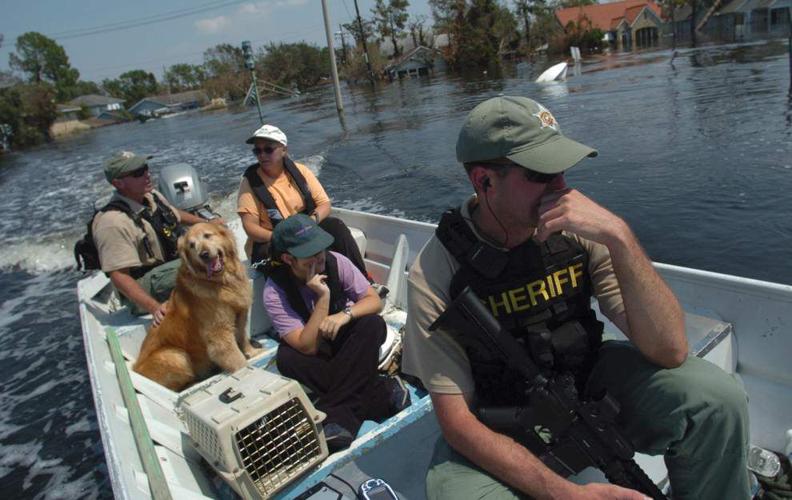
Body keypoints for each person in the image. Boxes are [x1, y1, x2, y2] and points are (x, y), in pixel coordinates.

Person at [402, 96, 750, 500]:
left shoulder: (576, 230)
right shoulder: (436, 272)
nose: (561, 187)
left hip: (587, 385)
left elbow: (670, 350)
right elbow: (457, 422)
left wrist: (618, 235)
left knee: (717, 400)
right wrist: (567, 494)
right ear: (484, 181)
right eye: (541, 174)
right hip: (499, 420)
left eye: (562, 168)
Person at [263, 214, 410, 452]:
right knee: (286, 358)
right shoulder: (275, 291)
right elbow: (306, 346)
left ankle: (339, 418)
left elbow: (373, 301)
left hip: (346, 340)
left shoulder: (337, 262)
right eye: (309, 253)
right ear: (288, 259)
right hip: (318, 349)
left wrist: (344, 315)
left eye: (320, 248)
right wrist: (323, 298)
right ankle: (382, 393)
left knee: (372, 324)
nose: (319, 256)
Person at [93, 151, 223, 324]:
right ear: (118, 183)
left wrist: (207, 223)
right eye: (138, 173)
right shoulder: (112, 222)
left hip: (170, 268)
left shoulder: (151, 196)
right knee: (205, 261)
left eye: (145, 168)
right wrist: (154, 308)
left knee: (219, 248)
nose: (147, 174)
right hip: (142, 290)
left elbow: (175, 214)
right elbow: (119, 276)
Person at [237, 124, 368, 277]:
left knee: (336, 226)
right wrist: (280, 238)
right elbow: (250, 227)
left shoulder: (301, 171)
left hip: (304, 228)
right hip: (272, 238)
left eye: (268, 149)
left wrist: (311, 223)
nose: (262, 155)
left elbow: (324, 204)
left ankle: (364, 279)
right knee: (302, 254)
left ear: (284, 150)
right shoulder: (249, 183)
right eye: (257, 151)